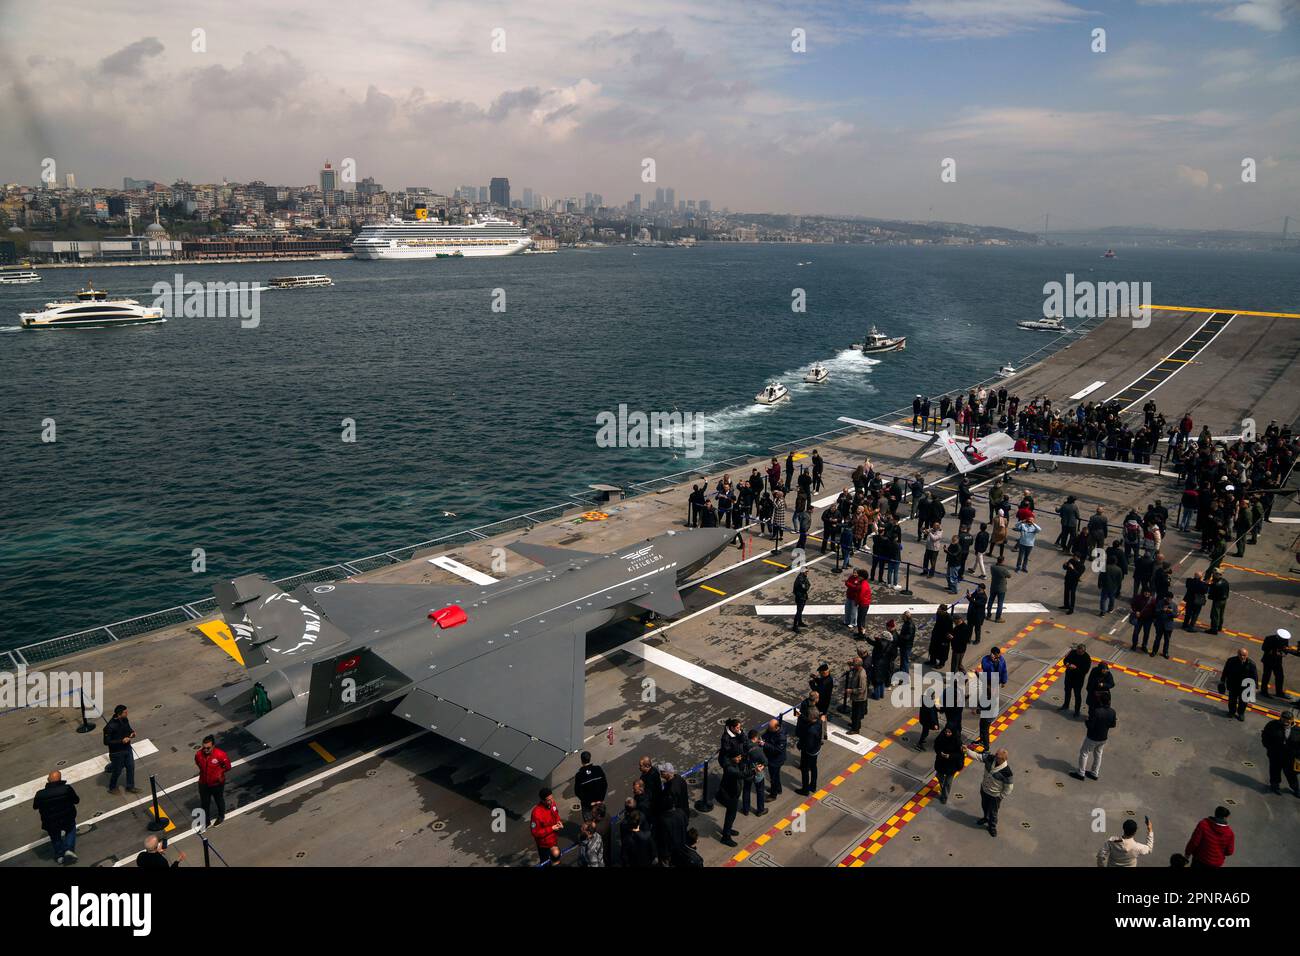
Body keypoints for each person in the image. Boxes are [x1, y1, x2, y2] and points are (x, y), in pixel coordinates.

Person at [32, 771, 79, 865]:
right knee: (70, 830)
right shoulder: (67, 789)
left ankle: (60, 856)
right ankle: (68, 849)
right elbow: (76, 800)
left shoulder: (40, 794)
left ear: (48, 780)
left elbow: (35, 806)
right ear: (60, 779)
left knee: (55, 837)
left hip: (50, 822)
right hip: (67, 818)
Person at [1071, 690, 1116, 780]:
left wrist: (1087, 721)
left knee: (1084, 753)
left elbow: (1090, 726)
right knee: (1098, 754)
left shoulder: (1097, 712)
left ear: (1100, 701)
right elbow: (1113, 725)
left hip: (1092, 737)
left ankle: (1081, 773)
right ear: (1109, 701)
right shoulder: (1112, 711)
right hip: (1103, 737)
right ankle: (1094, 773)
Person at [973, 747, 1014, 837]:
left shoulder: (1007, 772)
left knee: (993, 812)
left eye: (997, 756)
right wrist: (967, 751)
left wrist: (1001, 796)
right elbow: (978, 756)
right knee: (984, 806)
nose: (994, 756)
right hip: (984, 789)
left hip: (995, 796)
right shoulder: (990, 758)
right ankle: (985, 818)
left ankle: (992, 827)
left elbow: (1009, 787)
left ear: (1003, 759)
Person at [195, 734, 231, 829]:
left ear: (213, 746)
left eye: (208, 748)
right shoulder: (199, 754)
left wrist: (219, 773)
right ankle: (206, 822)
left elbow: (228, 767)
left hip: (217, 784)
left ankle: (221, 816)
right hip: (203, 783)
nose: (206, 750)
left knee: (218, 800)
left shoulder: (221, 754)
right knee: (204, 803)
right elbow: (198, 763)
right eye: (204, 747)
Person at [976, 647, 1009, 752]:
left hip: (993, 684)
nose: (998, 656)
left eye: (999, 655)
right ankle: (982, 740)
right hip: (989, 681)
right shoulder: (986, 660)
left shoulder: (1002, 660)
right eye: (996, 655)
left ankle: (986, 748)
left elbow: (1004, 670)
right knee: (982, 724)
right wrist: (992, 661)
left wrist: (1003, 680)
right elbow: (985, 668)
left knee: (985, 728)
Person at [104, 704, 141, 795]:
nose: (127, 713)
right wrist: (122, 741)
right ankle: (112, 787)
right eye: (125, 712)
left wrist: (132, 732)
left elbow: (128, 729)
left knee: (130, 767)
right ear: (119, 714)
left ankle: (130, 786)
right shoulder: (110, 727)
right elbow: (106, 742)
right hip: (117, 752)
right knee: (117, 771)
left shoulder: (125, 720)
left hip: (127, 749)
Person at [1261, 711, 1299, 796]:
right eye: (1284, 718)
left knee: (1291, 774)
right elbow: (1265, 736)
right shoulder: (1272, 725)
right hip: (1275, 755)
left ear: (1292, 719)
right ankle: (1275, 786)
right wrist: (1269, 748)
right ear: (1281, 717)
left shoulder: (1297, 730)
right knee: (1274, 770)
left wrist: (1298, 756)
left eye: (1288, 719)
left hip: (1290, 757)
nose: (1285, 720)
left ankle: (1295, 788)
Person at [1219, 648, 1258, 721]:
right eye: (1240, 655)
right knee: (1232, 700)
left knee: (1243, 702)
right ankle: (1232, 712)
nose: (1242, 657)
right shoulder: (1231, 661)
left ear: (1247, 655)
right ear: (1237, 654)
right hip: (1233, 685)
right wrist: (1222, 680)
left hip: (1245, 687)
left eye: (1244, 655)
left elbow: (1254, 676)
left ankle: (1241, 713)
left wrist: (1255, 687)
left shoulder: (1251, 664)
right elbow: (1225, 671)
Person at [716, 751, 744, 846]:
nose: (740, 759)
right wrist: (754, 771)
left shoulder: (733, 763)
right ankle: (726, 837)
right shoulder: (730, 769)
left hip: (732, 794)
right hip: (729, 796)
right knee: (731, 815)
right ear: (732, 757)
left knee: (731, 815)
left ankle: (727, 829)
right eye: (738, 757)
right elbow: (740, 775)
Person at [797, 704, 824, 796]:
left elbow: (808, 744)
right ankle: (813, 785)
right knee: (813, 767)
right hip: (816, 749)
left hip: (809, 751)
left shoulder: (810, 730)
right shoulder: (819, 722)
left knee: (805, 769)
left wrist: (800, 745)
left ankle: (805, 789)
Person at [530, 788, 563, 864]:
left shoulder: (552, 804)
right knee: (546, 863)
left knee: (556, 861)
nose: (551, 801)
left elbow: (556, 813)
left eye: (552, 798)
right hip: (544, 846)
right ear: (542, 800)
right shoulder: (536, 813)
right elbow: (535, 833)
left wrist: (558, 821)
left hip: (554, 841)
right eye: (548, 800)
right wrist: (551, 828)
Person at [932, 724, 964, 803]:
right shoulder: (941, 737)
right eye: (946, 732)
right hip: (941, 762)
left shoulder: (957, 741)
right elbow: (936, 747)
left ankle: (944, 797)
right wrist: (940, 753)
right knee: (939, 775)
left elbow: (960, 754)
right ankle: (943, 788)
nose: (947, 734)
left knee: (948, 782)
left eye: (949, 732)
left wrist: (949, 756)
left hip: (952, 765)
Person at [1260, 628, 1295, 698]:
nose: (1284, 640)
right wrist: (1274, 652)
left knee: (1280, 677)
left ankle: (1279, 692)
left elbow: (1285, 649)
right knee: (1266, 676)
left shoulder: (1285, 640)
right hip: (1268, 661)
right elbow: (1264, 648)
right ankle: (1263, 691)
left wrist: (1284, 653)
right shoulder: (1269, 638)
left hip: (1277, 662)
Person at [573, 751, 608, 820]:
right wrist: (600, 800)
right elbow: (605, 785)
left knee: (589, 826)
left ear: (581, 760)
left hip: (587, 806)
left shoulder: (579, 775)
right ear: (590, 758)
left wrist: (589, 803)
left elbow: (577, 792)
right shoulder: (598, 769)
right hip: (599, 804)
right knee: (601, 821)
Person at [1060, 643, 1092, 716]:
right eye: (1077, 651)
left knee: (1077, 695)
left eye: (1079, 652)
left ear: (1083, 651)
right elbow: (1065, 660)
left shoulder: (1087, 658)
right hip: (1069, 677)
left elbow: (1085, 671)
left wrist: (1075, 668)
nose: (1078, 653)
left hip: (1078, 680)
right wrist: (1067, 664)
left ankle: (1077, 711)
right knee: (1067, 691)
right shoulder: (1073, 652)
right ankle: (1066, 705)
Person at [761, 718, 787, 798]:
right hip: (771, 757)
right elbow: (766, 734)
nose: (768, 729)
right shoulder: (772, 730)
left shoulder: (781, 737)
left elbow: (777, 750)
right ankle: (778, 789)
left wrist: (765, 744)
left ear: (776, 727)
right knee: (776, 776)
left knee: (773, 778)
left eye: (770, 728)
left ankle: (773, 794)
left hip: (776, 760)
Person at [845, 657, 868, 735]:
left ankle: (855, 729)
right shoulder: (857, 669)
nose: (853, 665)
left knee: (856, 714)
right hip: (856, 698)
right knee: (854, 713)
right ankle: (855, 724)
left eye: (854, 664)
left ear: (857, 665)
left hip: (859, 699)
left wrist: (851, 691)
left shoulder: (861, 675)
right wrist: (850, 664)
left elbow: (862, 689)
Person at [989, 556, 1010, 622]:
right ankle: (998, 618)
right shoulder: (1004, 569)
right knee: (1000, 603)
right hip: (1001, 588)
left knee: (990, 601)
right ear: (1003, 561)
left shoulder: (992, 567)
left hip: (993, 587)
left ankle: (988, 615)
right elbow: (1009, 576)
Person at [792, 567, 810, 632]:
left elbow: (808, 585)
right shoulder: (800, 579)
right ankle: (795, 626)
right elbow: (806, 587)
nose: (808, 572)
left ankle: (800, 622)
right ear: (803, 572)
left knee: (800, 610)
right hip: (800, 597)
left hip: (802, 596)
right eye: (807, 571)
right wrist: (806, 586)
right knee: (799, 612)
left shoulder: (803, 577)